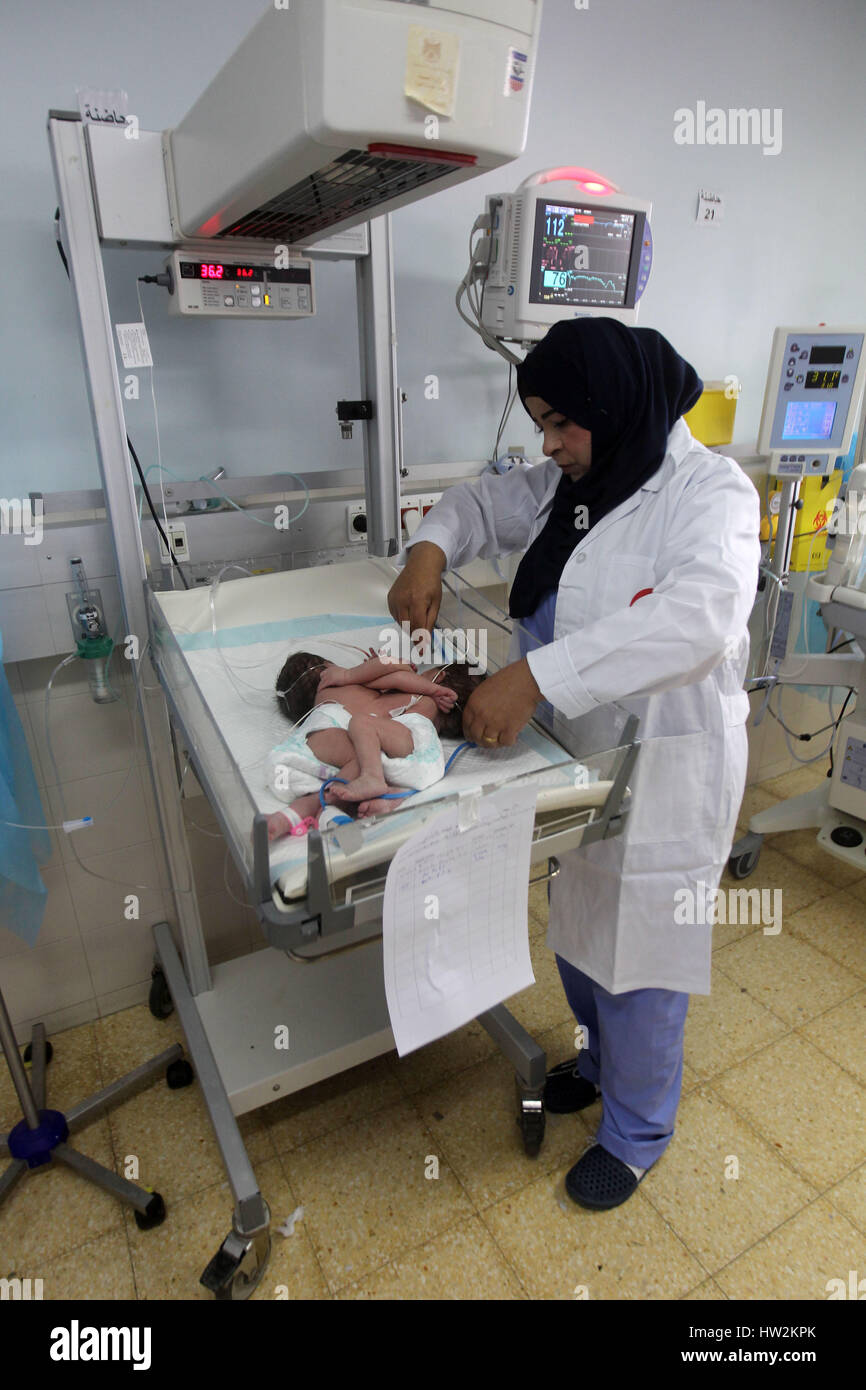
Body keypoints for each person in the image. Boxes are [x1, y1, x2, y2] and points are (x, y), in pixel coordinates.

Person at [387, 318, 760, 1211]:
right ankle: (595, 1065)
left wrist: (534, 675)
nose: (549, 446)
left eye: (561, 424)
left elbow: (699, 620)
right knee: (581, 929)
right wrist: (428, 550)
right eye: (541, 426)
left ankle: (637, 1135)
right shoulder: (578, 479)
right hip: (579, 763)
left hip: (667, 765)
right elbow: (481, 504)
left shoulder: (708, 494)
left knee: (644, 955)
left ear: (610, 404)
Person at [265, 650, 483, 837]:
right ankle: (335, 811)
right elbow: (388, 668)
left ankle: (300, 814)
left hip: (340, 731)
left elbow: (389, 668)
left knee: (362, 753)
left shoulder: (407, 692)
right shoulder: (353, 684)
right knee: (366, 755)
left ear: (440, 674)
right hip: (365, 738)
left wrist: (365, 670)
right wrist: (370, 669)